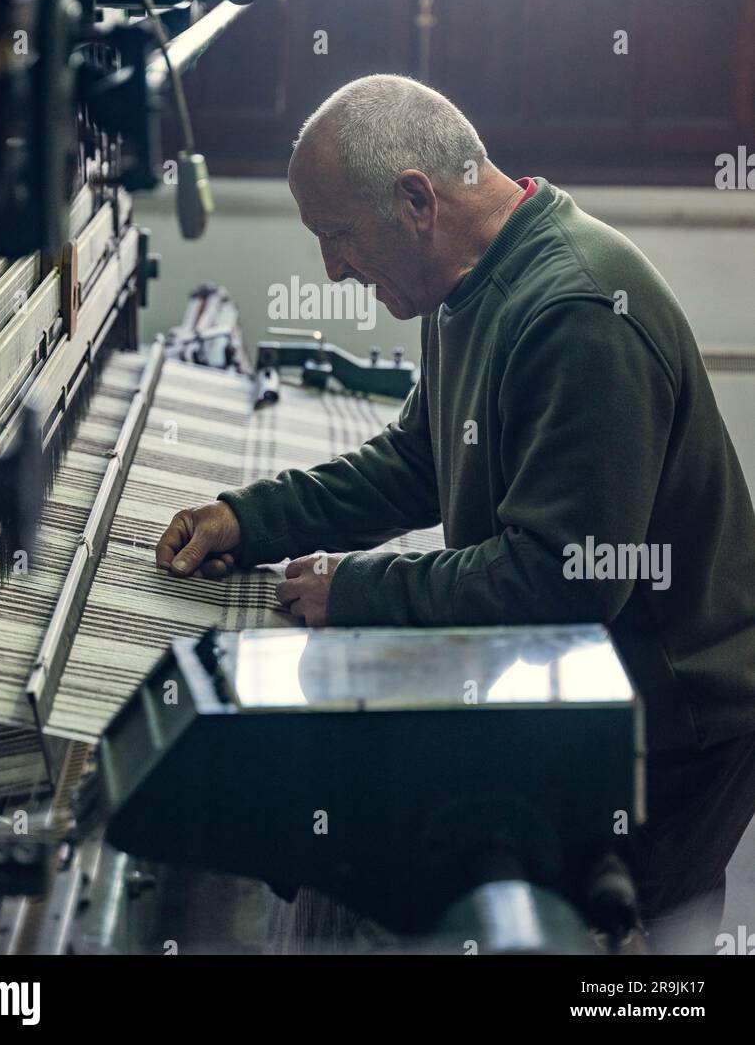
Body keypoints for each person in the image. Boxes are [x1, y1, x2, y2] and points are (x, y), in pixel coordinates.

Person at [156, 73, 755, 948]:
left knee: (621, 952)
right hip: (581, 693)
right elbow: (415, 463)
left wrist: (356, 592)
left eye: (337, 236)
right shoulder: (469, 289)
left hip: (668, 726)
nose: (330, 266)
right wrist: (251, 519)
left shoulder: (578, 313)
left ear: (414, 201)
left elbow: (562, 580)